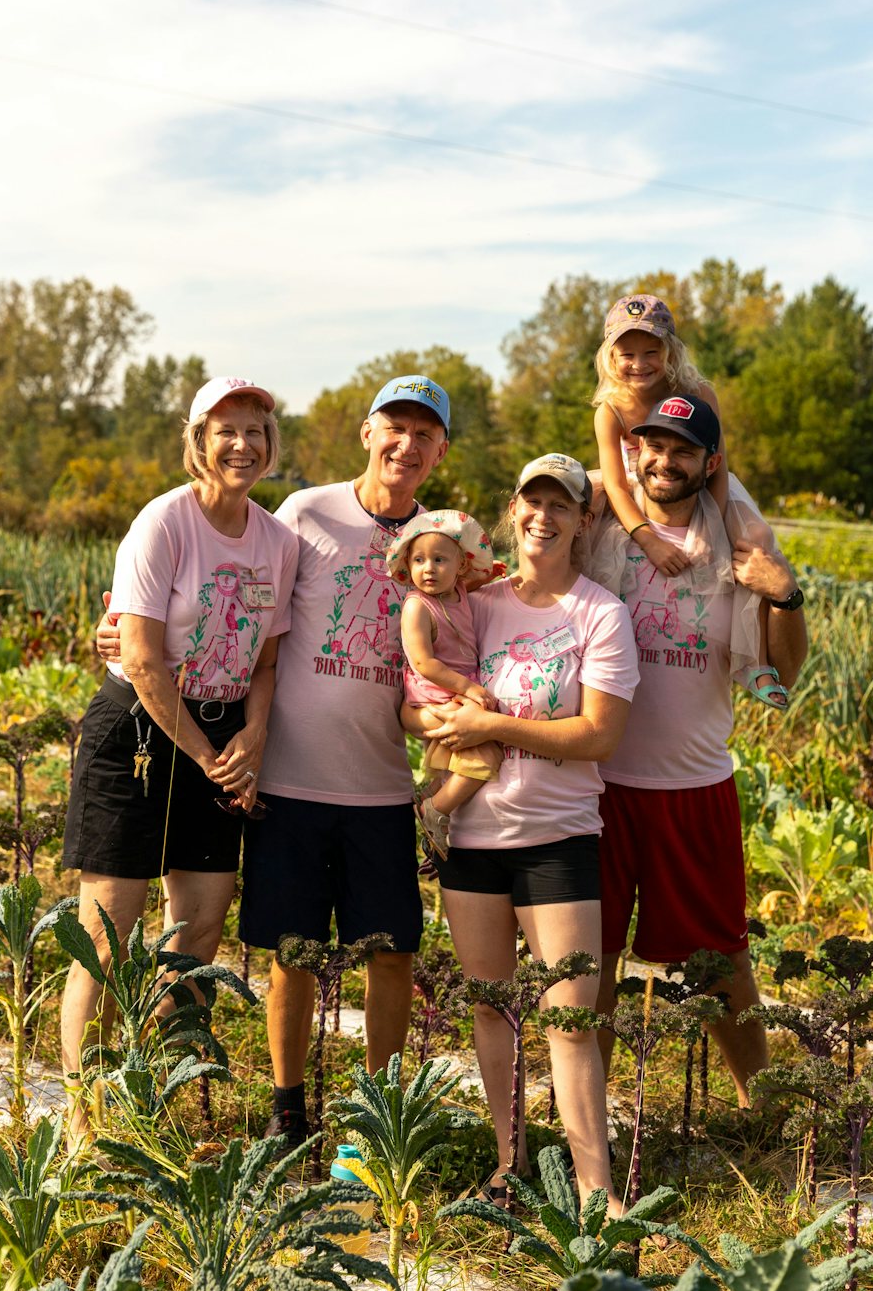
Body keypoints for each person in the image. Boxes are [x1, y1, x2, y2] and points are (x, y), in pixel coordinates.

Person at [62, 376, 299, 1145]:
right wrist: (203, 754)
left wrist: (252, 737)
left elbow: (265, 660)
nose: (242, 444)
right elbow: (141, 655)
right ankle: (83, 1119)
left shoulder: (277, 540)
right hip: (138, 730)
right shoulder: (164, 523)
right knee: (110, 932)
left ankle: (153, 1094)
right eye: (224, 430)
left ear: (271, 444)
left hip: (223, 735)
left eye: (256, 431)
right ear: (198, 440)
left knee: (198, 926)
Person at [410, 454, 640, 1209]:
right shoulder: (477, 599)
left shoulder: (599, 614)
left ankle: (595, 1187)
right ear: (514, 510)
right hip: (473, 837)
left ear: (584, 521)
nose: (542, 516)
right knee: (490, 1005)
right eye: (531, 502)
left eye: (560, 506)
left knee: (570, 1020)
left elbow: (600, 735)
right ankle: (510, 1166)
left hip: (558, 838)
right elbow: (415, 682)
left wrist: (492, 725)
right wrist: (435, 722)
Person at [236, 375, 454, 1145]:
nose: (407, 444)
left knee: (391, 954)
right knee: (292, 954)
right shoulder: (306, 513)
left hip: (382, 789)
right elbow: (252, 622)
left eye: (425, 434)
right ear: (366, 432)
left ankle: (373, 1123)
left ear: (441, 451)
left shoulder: (442, 540)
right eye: (395, 427)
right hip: (291, 781)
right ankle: (287, 1109)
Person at [587, 395, 808, 1104]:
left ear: (709, 463)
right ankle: (583, 1117)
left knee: (721, 962)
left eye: (682, 449)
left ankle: (762, 1106)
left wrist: (787, 596)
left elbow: (786, 673)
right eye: (651, 445)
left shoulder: (736, 548)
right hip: (598, 786)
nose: (663, 460)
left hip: (693, 785)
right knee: (591, 962)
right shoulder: (602, 534)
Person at [592, 294, 787, 708]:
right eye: (627, 354)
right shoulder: (610, 410)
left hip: (695, 483)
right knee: (579, 519)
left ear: (670, 351)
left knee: (757, 536)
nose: (639, 364)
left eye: (651, 352)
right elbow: (615, 485)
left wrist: (710, 528)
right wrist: (649, 540)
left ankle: (753, 660)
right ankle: (581, 642)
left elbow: (717, 466)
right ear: (610, 356)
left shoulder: (696, 391)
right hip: (637, 487)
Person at [385, 509, 503, 859]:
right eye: (418, 560)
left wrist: (489, 579)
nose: (428, 569)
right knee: (488, 754)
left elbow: (468, 591)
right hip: (436, 690)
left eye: (439, 560)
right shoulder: (417, 607)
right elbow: (424, 662)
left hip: (456, 687)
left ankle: (434, 791)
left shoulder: (458, 592)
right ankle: (436, 808)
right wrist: (467, 689)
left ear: (460, 568)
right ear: (408, 566)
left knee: (481, 745)